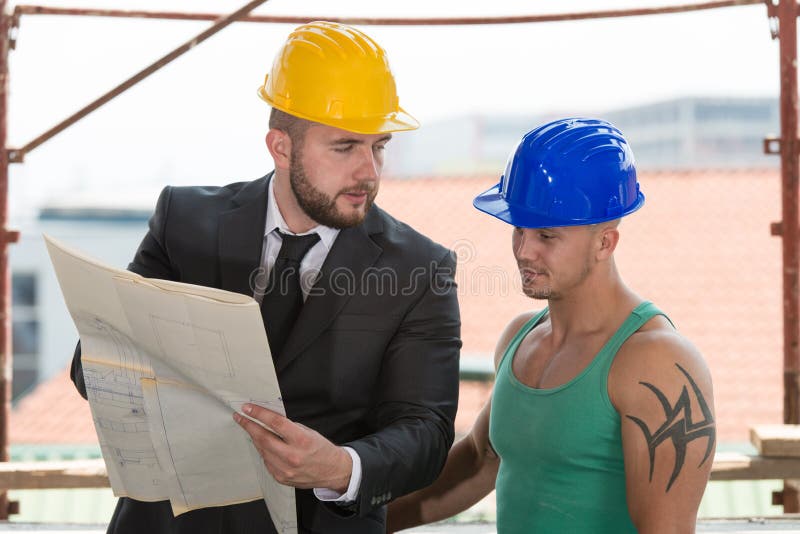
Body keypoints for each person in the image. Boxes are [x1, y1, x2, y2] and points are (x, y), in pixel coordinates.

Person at [69, 21, 461, 534]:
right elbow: (95, 363)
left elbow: (425, 433)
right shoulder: (183, 221)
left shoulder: (420, 270)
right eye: (345, 147)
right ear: (281, 147)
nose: (369, 171)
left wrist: (341, 467)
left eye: (379, 146)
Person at [387, 118, 716, 533]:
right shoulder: (519, 338)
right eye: (519, 229)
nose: (524, 251)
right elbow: (480, 461)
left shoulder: (658, 362)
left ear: (605, 242)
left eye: (546, 235)